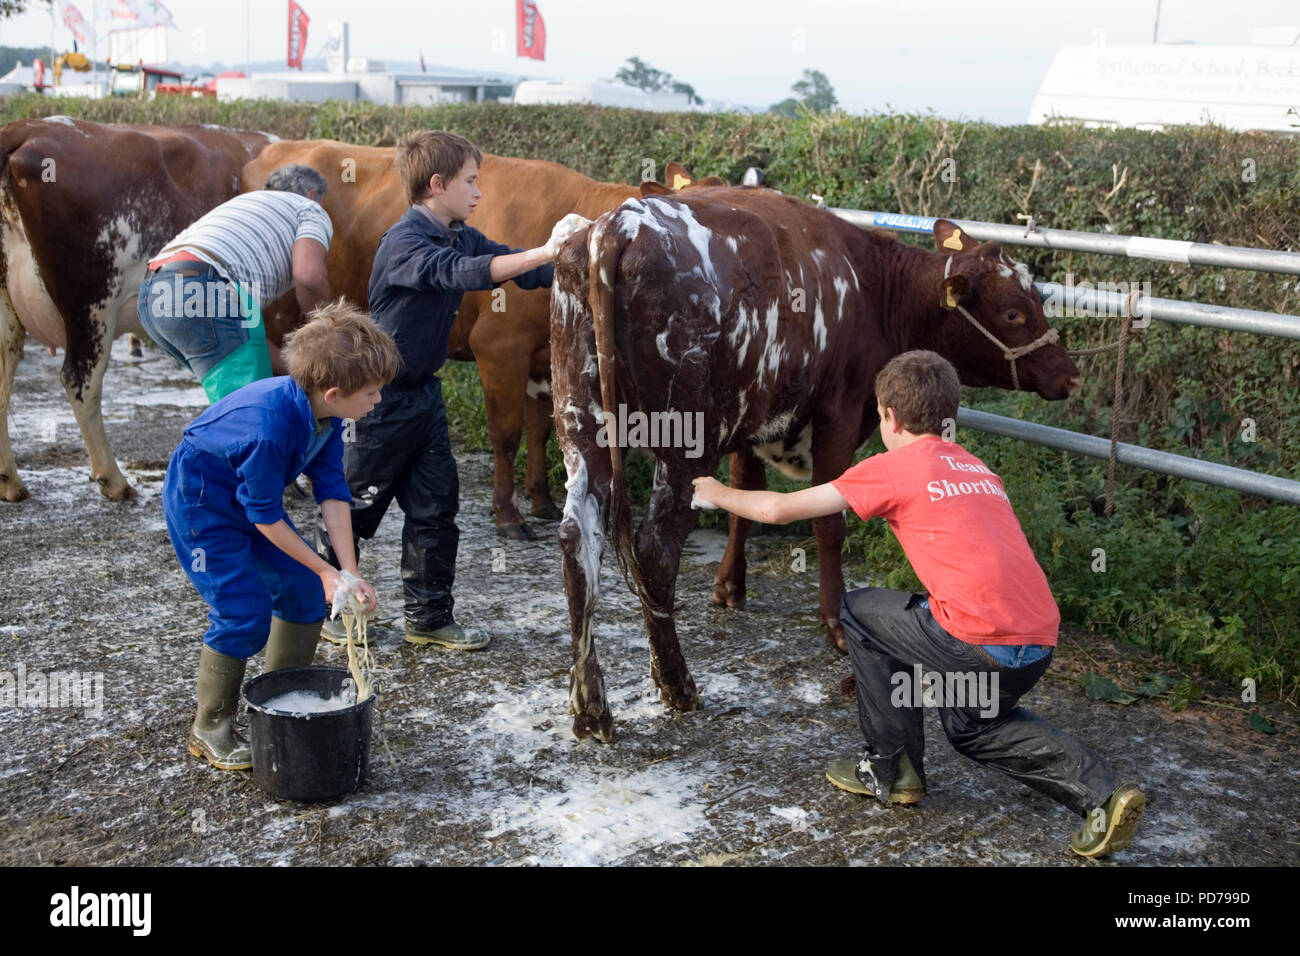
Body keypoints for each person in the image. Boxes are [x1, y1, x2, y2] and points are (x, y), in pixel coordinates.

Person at [691, 350, 1144, 858]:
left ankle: (890, 765)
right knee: (975, 728)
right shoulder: (976, 467)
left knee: (859, 610)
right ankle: (1103, 797)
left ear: (888, 416)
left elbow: (777, 507)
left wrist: (718, 491)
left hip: (978, 643)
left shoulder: (893, 467)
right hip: (1036, 644)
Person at [316, 130, 581, 652]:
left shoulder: (460, 232)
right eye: (471, 181)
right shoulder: (405, 245)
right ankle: (328, 606)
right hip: (377, 399)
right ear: (437, 185)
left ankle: (429, 617)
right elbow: (464, 274)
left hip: (423, 397)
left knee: (437, 508)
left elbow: (512, 268)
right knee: (355, 507)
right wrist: (541, 252)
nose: (480, 191)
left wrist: (572, 261)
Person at [162, 301, 401, 771]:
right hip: (204, 505)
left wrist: (345, 573)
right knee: (243, 610)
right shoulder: (268, 427)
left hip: (251, 503)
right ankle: (209, 727)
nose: (378, 401)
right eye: (373, 393)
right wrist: (324, 568)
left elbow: (331, 489)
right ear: (333, 392)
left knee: (304, 593)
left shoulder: (327, 418)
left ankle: (280, 704)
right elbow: (267, 516)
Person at [138, 164, 333, 402]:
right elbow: (309, 278)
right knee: (249, 412)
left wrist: (298, 367)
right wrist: (331, 336)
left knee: (233, 405)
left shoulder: (247, 213)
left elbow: (251, 339)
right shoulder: (308, 208)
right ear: (313, 195)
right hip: (205, 286)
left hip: (154, 293)